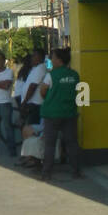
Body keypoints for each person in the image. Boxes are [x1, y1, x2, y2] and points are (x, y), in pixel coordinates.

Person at [38, 47, 82, 182]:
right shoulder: (75, 75)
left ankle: (46, 173)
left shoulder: (50, 75)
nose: (51, 60)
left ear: (59, 60)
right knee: (72, 143)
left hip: (52, 114)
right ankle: (76, 171)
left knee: (50, 144)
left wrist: (50, 99)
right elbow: (80, 95)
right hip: (69, 113)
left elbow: (43, 90)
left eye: (53, 58)